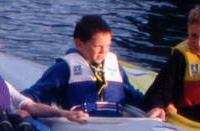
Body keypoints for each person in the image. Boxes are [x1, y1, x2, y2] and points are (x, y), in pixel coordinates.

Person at [21, 14, 156, 118]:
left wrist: (156, 105)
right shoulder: (64, 69)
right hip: (83, 125)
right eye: (98, 46)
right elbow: (32, 95)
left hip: (115, 125)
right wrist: (25, 109)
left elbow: (132, 96)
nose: (104, 51)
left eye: (108, 46)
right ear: (79, 44)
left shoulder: (115, 68)